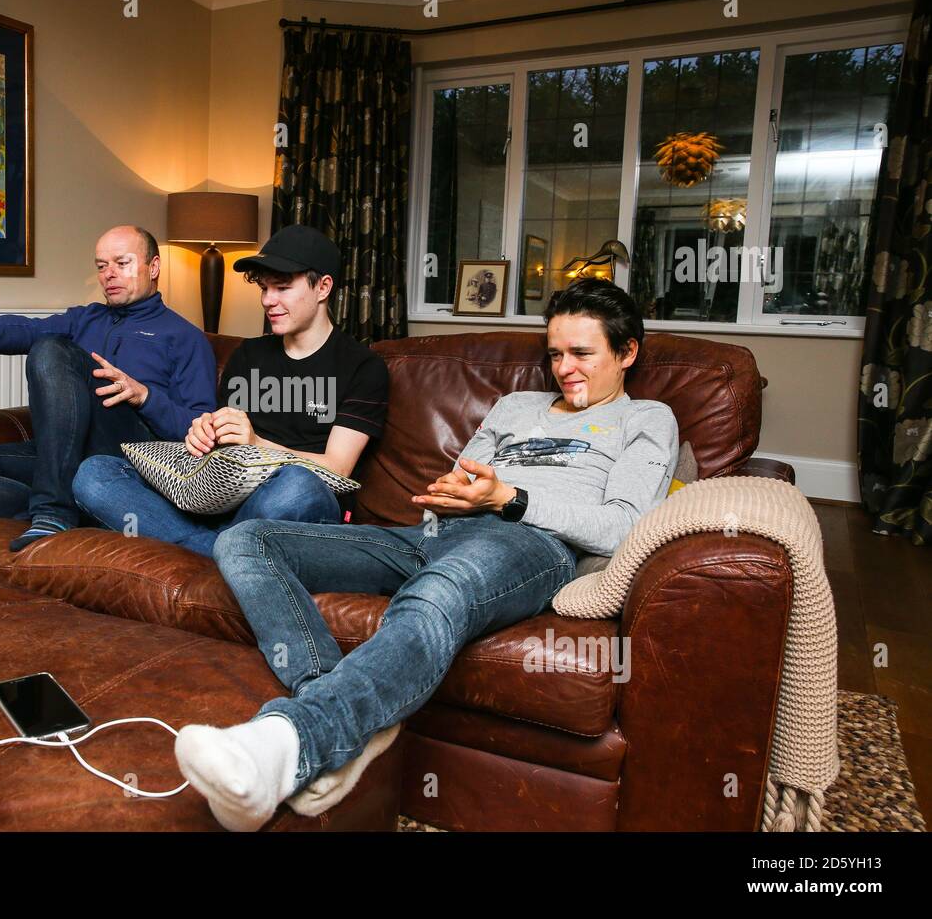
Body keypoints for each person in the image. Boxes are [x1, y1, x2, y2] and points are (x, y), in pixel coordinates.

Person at [173, 280, 680, 831]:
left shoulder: (647, 419)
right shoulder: (516, 406)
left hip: (530, 545)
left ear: (626, 353)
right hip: (433, 533)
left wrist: (508, 498)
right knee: (246, 539)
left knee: (440, 588)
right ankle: (337, 700)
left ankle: (289, 743)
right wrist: (452, 495)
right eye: (555, 353)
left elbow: (624, 526)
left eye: (583, 353)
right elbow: (461, 476)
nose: (565, 368)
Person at [72, 225, 389, 556]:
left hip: (301, 504)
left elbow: (337, 468)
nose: (268, 301)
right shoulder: (249, 354)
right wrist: (201, 432)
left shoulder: (362, 367)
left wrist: (256, 444)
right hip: (229, 498)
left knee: (296, 486)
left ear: (323, 287)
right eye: (264, 289)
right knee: (96, 473)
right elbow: (222, 439)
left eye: (282, 288)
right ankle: (217, 550)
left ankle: (204, 545)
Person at [0, 225, 217, 552]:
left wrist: (145, 396)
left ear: (153, 267)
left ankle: (53, 513)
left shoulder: (185, 337)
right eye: (101, 266)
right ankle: (77, 505)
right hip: (63, 453)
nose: (109, 274)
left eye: (122, 263)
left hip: (125, 457)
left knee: (51, 348)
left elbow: (198, 430)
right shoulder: (86, 318)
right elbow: (26, 328)